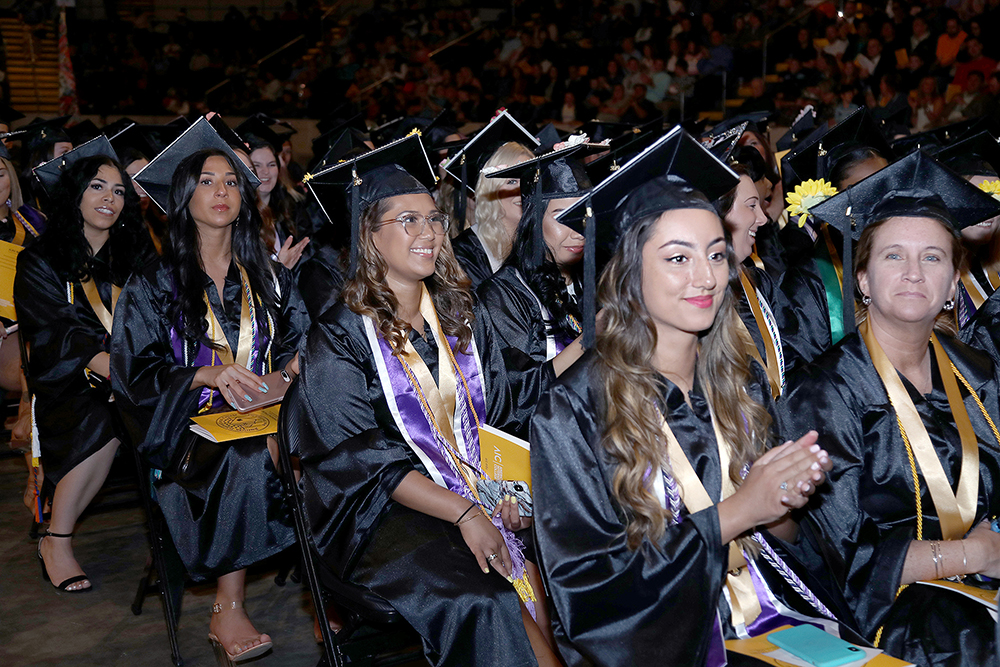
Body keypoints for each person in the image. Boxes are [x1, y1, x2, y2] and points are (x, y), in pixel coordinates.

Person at [531, 131, 837, 666]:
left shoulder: (741, 379)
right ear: (629, 271)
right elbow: (592, 596)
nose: (705, 277)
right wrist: (737, 511)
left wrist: (787, 495)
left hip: (772, 616)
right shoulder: (573, 410)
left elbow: (786, 541)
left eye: (716, 254)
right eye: (678, 258)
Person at [288, 135, 560, 666]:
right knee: (485, 597)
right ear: (369, 234)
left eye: (434, 218)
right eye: (408, 220)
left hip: (473, 489)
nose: (429, 232)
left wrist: (513, 491)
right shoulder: (339, 337)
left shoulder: (462, 316)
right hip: (381, 513)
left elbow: (504, 413)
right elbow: (361, 461)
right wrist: (465, 512)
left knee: (561, 553)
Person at [783, 152, 1000, 666]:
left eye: (933, 258)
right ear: (861, 279)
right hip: (895, 612)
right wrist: (971, 554)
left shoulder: (981, 372)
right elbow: (843, 555)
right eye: (893, 256)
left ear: (953, 284)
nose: (913, 273)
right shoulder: (823, 393)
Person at [113, 123, 309, 664]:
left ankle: (334, 593)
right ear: (184, 197)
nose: (222, 191)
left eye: (231, 181)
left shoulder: (268, 275)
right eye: (206, 181)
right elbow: (133, 376)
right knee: (247, 455)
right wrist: (202, 376)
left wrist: (289, 374)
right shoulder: (153, 282)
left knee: (332, 446)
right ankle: (228, 607)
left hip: (270, 412)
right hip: (188, 429)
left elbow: (301, 342)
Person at [17, 150, 149, 593]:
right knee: (105, 415)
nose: (109, 198)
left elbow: (158, 319)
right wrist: (113, 373)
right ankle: (56, 540)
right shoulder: (40, 259)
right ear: (74, 194)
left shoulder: (135, 254)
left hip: (132, 373)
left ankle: (186, 533)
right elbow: (58, 330)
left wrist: (136, 372)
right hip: (69, 382)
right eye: (97, 187)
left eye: (118, 191)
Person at [476, 147, 593, 397]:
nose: (577, 231)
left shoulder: (597, 277)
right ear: (534, 219)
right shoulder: (503, 295)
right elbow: (515, 395)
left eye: (583, 215)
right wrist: (592, 337)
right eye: (563, 217)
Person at [446, 111, 539, 287]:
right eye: (511, 181)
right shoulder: (464, 253)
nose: (523, 189)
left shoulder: (544, 242)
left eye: (529, 179)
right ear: (490, 190)